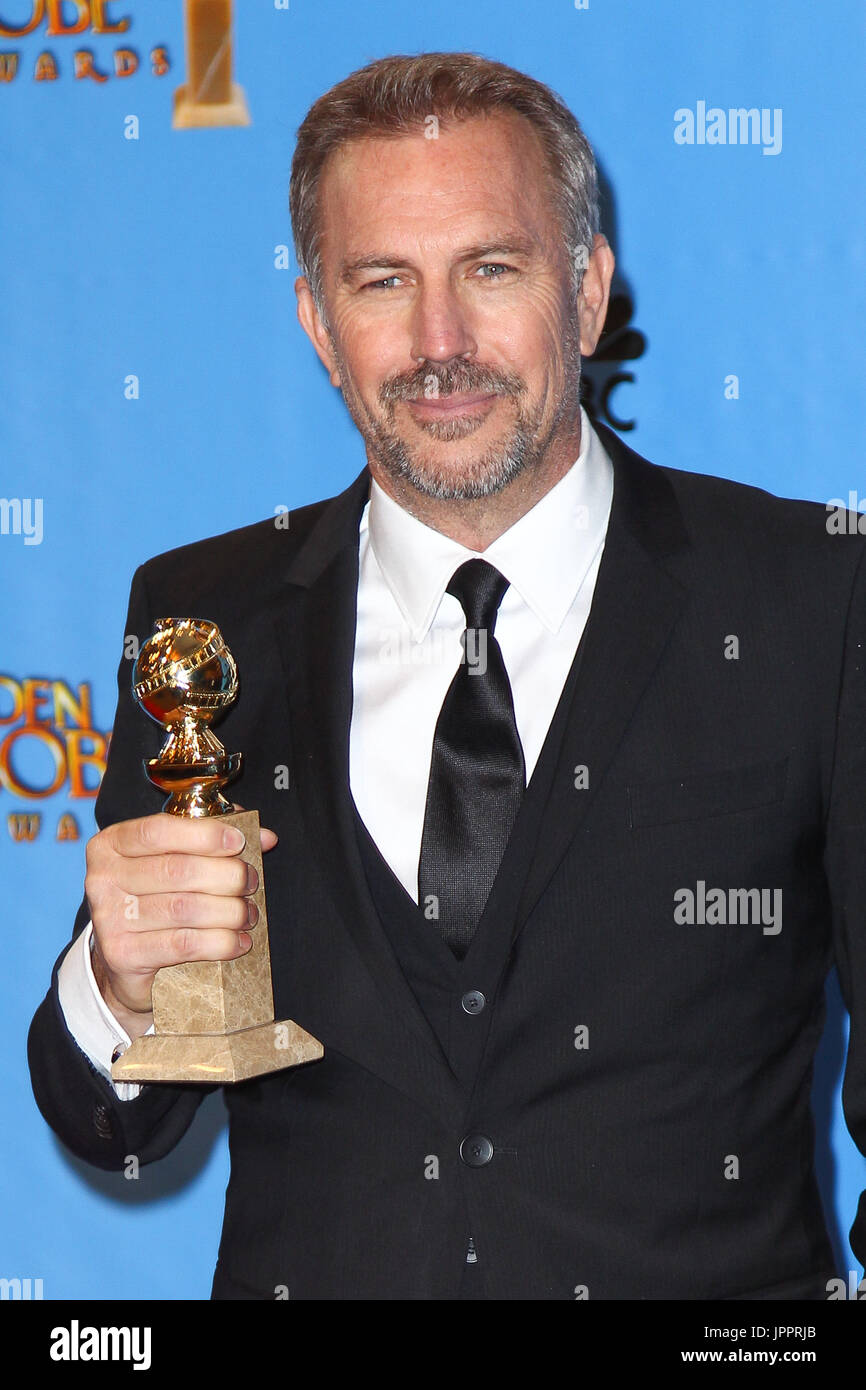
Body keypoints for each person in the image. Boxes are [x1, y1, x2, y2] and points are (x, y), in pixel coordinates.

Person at [28, 51, 866, 1301]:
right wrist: (110, 985)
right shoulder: (203, 615)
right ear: (318, 322)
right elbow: (121, 1131)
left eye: (489, 268)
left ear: (583, 294)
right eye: (382, 282)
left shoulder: (814, 592)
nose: (438, 344)